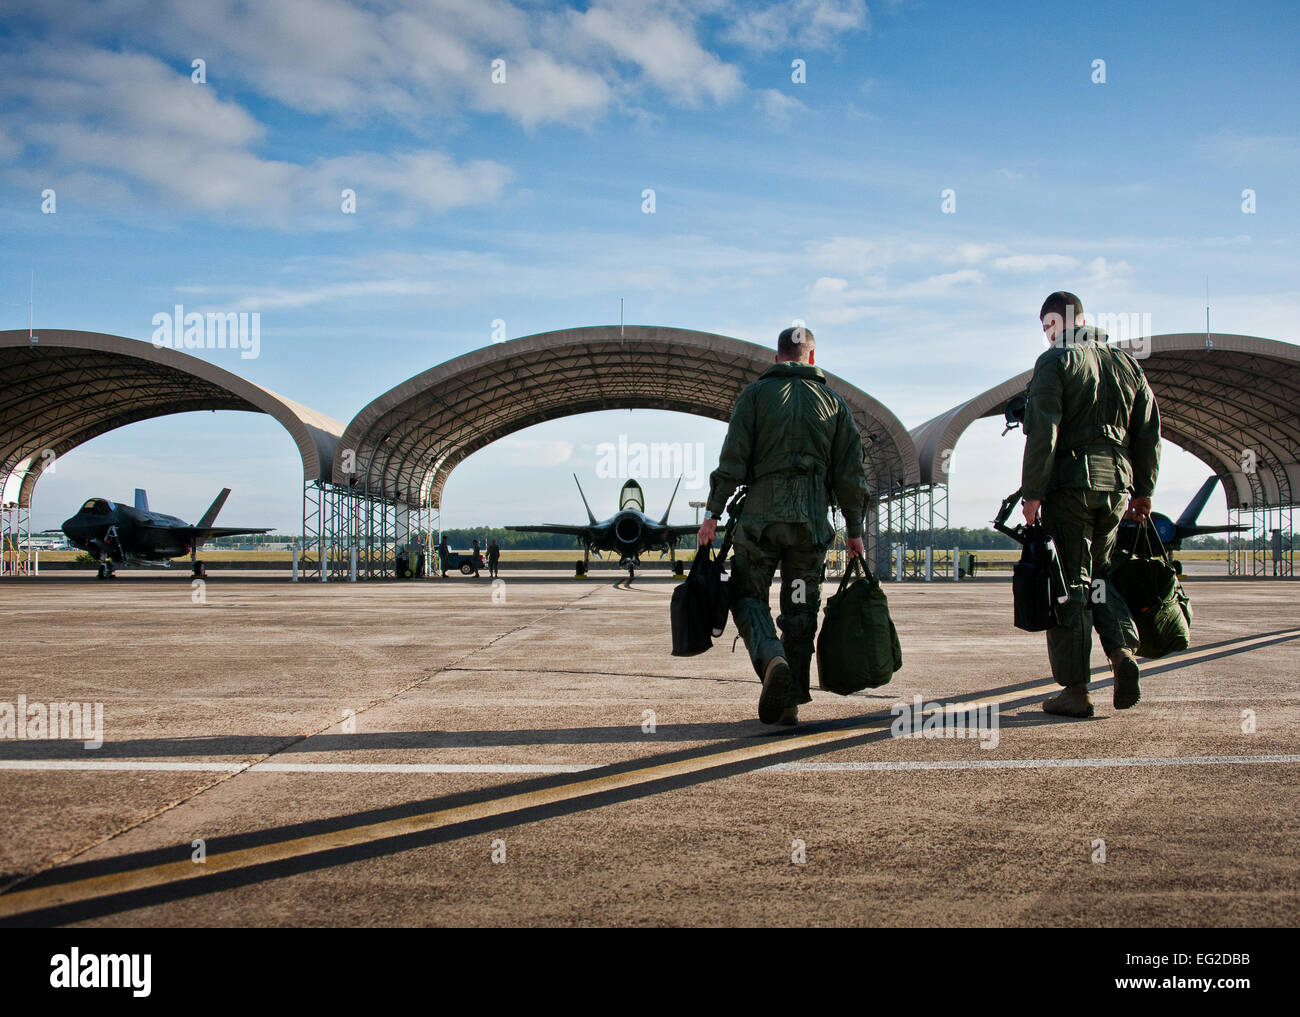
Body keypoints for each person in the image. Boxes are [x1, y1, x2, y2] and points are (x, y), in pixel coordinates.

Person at [698, 326, 870, 726]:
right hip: (807, 528)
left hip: (761, 524)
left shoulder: (755, 397)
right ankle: (791, 698)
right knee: (799, 606)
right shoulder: (835, 404)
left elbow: (732, 462)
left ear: (776, 359)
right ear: (812, 357)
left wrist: (712, 513)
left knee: (748, 596)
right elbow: (851, 476)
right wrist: (855, 529)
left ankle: (771, 657)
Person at [1021, 291, 1161, 717]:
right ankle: (1121, 655)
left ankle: (1076, 690)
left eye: (1048, 327)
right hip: (1117, 487)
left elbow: (1043, 430)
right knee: (1101, 577)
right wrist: (1143, 490)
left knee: (1068, 587)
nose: (1046, 336)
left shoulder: (1056, 361)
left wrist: (1033, 492)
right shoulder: (1126, 363)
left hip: (1071, 486)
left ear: (1062, 321)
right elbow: (1149, 431)